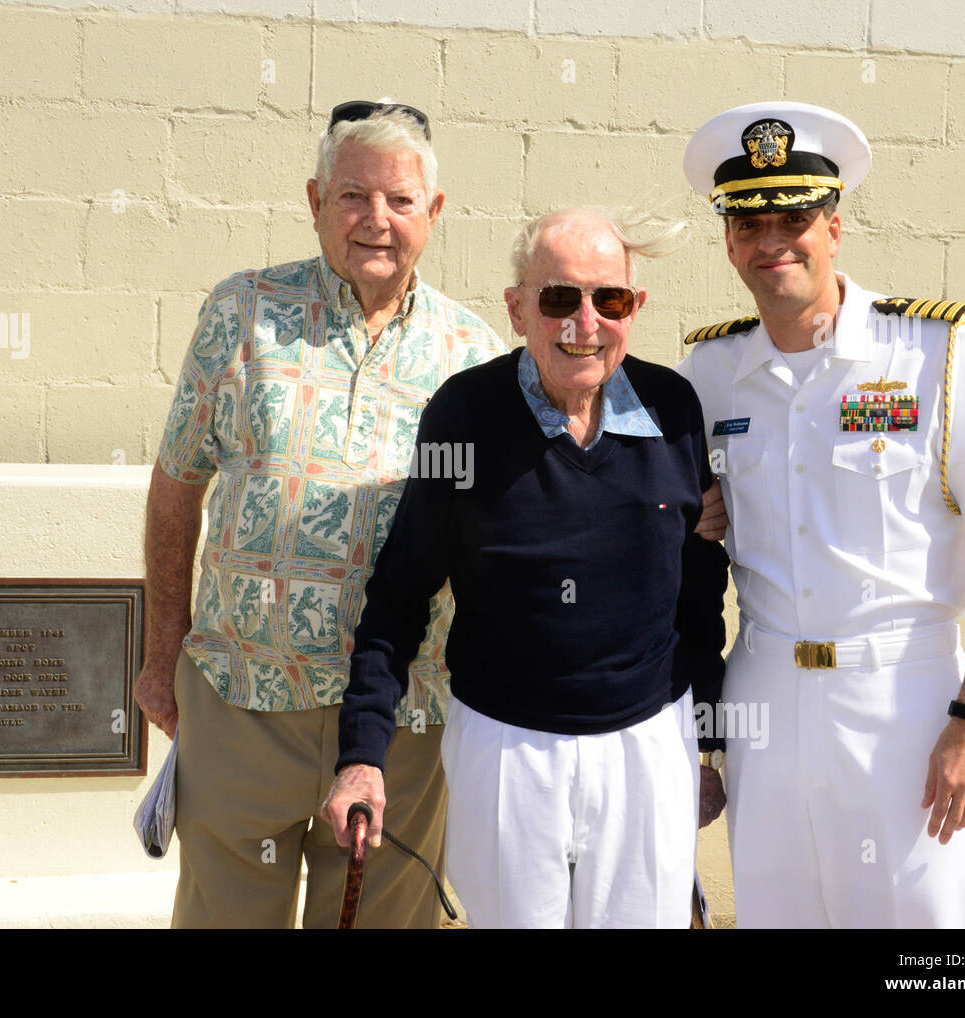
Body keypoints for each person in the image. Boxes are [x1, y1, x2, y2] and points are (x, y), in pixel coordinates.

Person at [677, 101, 965, 928]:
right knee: (779, 913)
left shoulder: (932, 351)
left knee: (919, 929)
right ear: (728, 240)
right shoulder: (709, 372)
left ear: (836, 226)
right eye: (748, 222)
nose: (771, 239)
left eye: (795, 217)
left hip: (907, 700)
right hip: (767, 695)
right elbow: (680, 536)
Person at [134, 100, 508, 928]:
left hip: (405, 723)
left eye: (401, 200)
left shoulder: (473, 354)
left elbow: (498, 541)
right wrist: (163, 657)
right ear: (314, 201)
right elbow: (175, 490)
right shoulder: (241, 314)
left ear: (434, 213)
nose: (376, 220)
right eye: (352, 196)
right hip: (240, 703)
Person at [322, 206, 731, 928]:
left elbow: (698, 598)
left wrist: (710, 742)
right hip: (506, 747)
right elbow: (399, 594)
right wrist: (362, 753)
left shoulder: (674, 407)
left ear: (635, 308)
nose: (585, 321)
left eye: (609, 299)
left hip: (648, 743)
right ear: (517, 309)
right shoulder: (464, 416)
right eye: (557, 298)